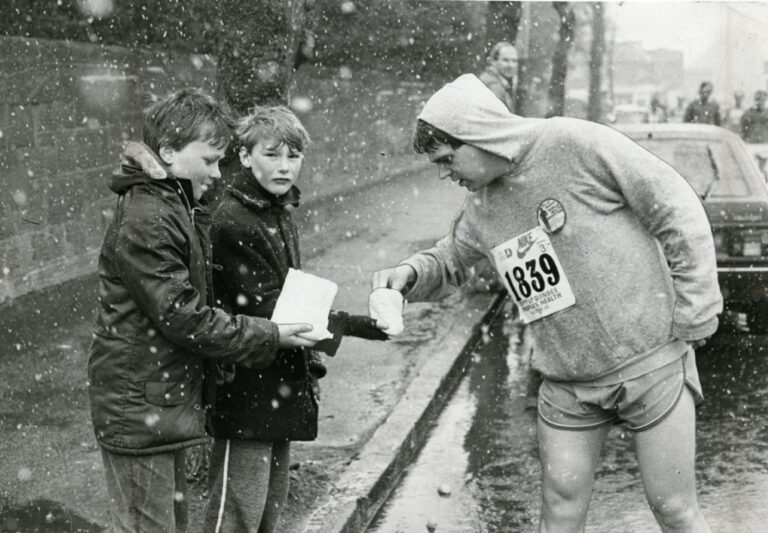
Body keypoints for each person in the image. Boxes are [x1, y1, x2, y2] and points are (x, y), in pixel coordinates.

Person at [372, 74, 722, 532]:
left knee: (674, 509)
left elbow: (673, 206)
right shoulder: (482, 205)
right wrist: (410, 275)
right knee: (558, 513)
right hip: (567, 378)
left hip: (649, 362)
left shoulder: (573, 141)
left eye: (447, 159)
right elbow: (451, 257)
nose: (445, 173)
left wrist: (696, 305)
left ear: (478, 135)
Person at [88, 89, 318, 533]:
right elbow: (184, 316)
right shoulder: (151, 216)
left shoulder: (170, 205)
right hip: (139, 407)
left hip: (155, 403)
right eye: (210, 160)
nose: (217, 172)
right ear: (170, 153)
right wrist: (271, 335)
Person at [201, 105, 389, 533]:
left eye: (293, 156)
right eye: (272, 155)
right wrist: (357, 325)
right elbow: (274, 309)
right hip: (247, 383)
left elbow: (289, 300)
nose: (285, 167)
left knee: (269, 507)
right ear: (245, 157)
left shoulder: (274, 211)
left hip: (276, 378)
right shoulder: (235, 221)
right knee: (237, 514)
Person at [478, 41, 518, 112]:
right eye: (505, 60)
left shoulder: (493, 79)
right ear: (494, 61)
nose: (511, 65)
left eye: (514, 61)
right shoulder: (493, 84)